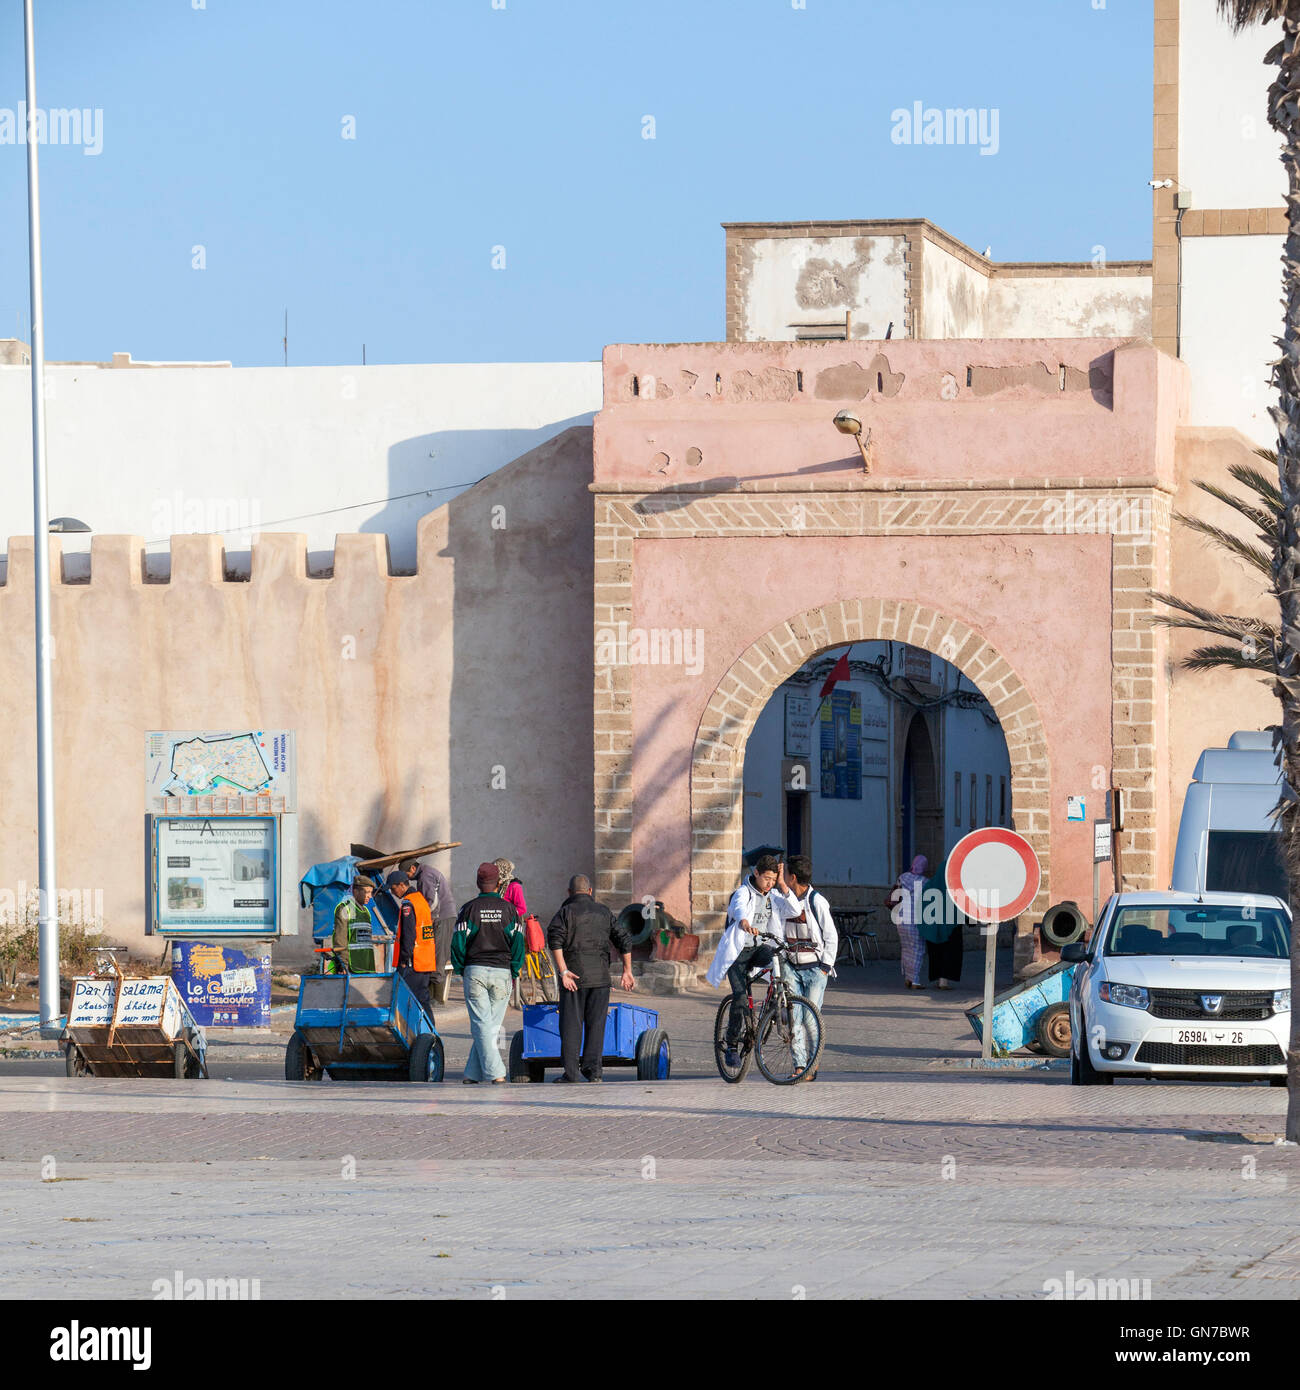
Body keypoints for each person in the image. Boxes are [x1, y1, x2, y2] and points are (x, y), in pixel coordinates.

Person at [547, 874, 635, 1083]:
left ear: (569, 893)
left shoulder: (565, 912)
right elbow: (624, 939)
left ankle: (571, 1074)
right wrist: (627, 970)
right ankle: (593, 1072)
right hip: (600, 979)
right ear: (590, 891)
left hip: (573, 979)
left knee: (571, 1026)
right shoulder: (604, 912)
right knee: (597, 1026)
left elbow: (555, 940)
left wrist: (563, 971)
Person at [450, 861, 525, 1084]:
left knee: (484, 1024)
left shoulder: (468, 909)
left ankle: (476, 1074)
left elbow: (457, 943)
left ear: (477, 883)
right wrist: (514, 969)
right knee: (488, 1025)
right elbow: (518, 943)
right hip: (502, 972)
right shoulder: (510, 910)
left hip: (475, 970)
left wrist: (461, 968)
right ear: (499, 884)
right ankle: (493, 1073)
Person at [705, 853, 782, 1067]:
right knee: (739, 998)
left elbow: (791, 908)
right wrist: (745, 922)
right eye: (767, 878)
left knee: (779, 960)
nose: (769, 883)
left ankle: (777, 1004)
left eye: (773, 880)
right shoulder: (743, 892)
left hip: (758, 949)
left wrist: (782, 883)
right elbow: (738, 908)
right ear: (756, 873)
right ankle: (731, 1046)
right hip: (738, 954)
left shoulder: (772, 895)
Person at [771, 855, 838, 1078]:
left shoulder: (816, 901)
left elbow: (831, 935)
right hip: (791, 965)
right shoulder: (783, 899)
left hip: (815, 968)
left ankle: (813, 1062)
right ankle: (800, 1066)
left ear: (793, 877)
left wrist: (825, 966)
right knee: (793, 1018)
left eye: (785, 874)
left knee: (811, 1018)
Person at [401, 856, 456, 1004]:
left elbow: (431, 902)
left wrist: (423, 919)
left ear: (413, 868)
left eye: (406, 874)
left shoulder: (425, 876)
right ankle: (431, 996)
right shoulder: (426, 873)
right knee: (435, 955)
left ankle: (437, 999)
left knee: (438, 956)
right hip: (442, 917)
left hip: (441, 918)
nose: (407, 878)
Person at [386, 870, 437, 1018]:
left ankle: (426, 1036)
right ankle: (430, 1035)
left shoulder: (408, 904)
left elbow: (409, 934)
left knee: (408, 1001)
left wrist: (403, 959)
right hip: (424, 960)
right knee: (422, 1000)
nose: (392, 892)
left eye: (393, 888)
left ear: (402, 885)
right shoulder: (420, 900)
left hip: (412, 962)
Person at [920, 857, 964, 989]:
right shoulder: (955, 888)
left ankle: (939, 978)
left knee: (936, 953)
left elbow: (921, 906)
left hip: (933, 928)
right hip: (952, 928)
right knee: (950, 952)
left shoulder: (929, 886)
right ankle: (944, 981)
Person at [891, 855, 928, 990]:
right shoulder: (924, 881)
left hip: (901, 917)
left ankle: (908, 978)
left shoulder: (903, 877)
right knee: (917, 949)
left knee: (906, 948)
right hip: (915, 919)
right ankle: (915, 981)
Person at [330, 876, 380, 974]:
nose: (370, 896)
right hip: (351, 968)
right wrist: (343, 964)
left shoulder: (366, 912)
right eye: (367, 892)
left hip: (366, 967)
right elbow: (340, 939)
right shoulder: (347, 908)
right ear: (356, 891)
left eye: (371, 892)